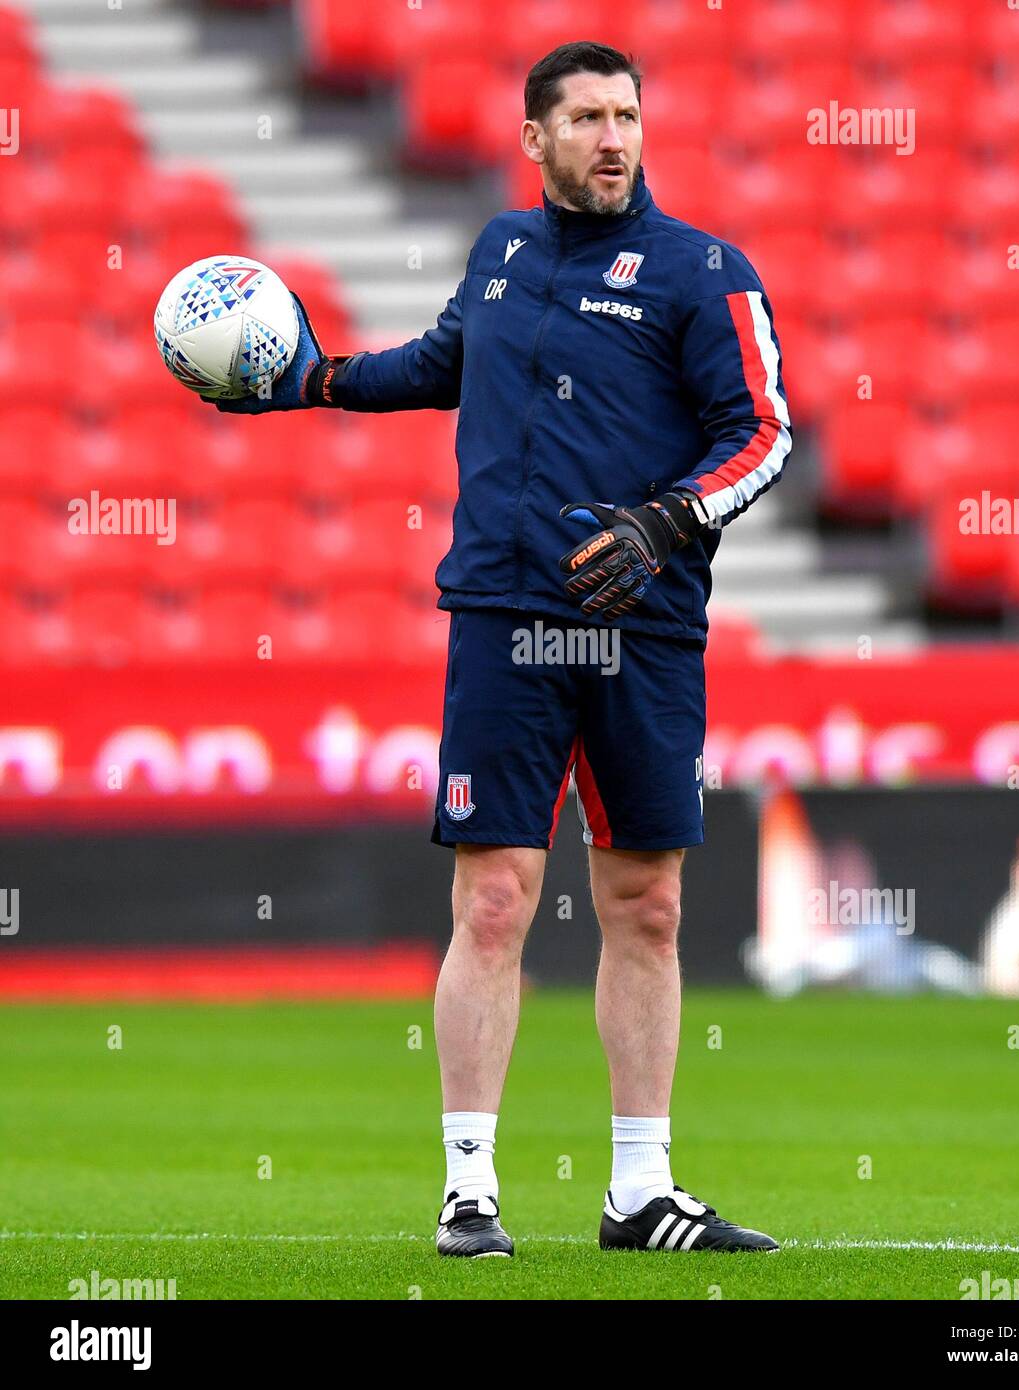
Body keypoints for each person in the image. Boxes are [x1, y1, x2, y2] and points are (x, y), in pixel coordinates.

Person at [216, 40, 791, 1257]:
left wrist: (664, 517)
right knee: (491, 899)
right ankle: (468, 1189)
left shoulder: (703, 272)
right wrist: (312, 380)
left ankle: (640, 1193)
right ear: (533, 140)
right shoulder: (503, 251)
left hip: (642, 626)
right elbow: (442, 364)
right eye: (584, 117)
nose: (612, 136)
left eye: (626, 113)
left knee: (647, 903)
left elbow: (765, 434)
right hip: (502, 614)